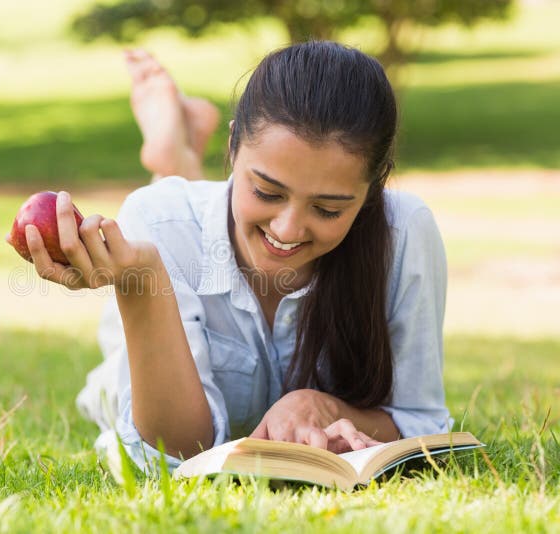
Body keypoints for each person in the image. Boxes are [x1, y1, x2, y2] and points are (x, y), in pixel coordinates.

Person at [24, 41, 451, 471]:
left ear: (375, 188)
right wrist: (145, 280)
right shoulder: (158, 223)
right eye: (267, 191)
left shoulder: (403, 232)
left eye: (328, 209)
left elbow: (421, 421)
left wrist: (318, 406)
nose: (287, 229)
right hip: (163, 269)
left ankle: (180, 158)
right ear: (232, 145)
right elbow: (171, 456)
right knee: (166, 227)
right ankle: (174, 161)